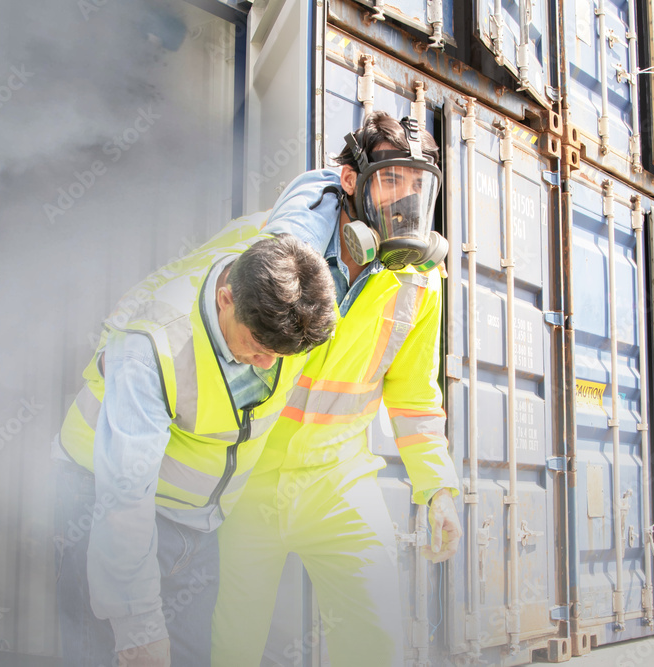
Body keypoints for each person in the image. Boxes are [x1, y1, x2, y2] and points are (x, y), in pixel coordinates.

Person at [211, 111, 463, 667]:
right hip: (251, 479)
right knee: (234, 644)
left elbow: (415, 395)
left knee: (377, 641)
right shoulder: (282, 259)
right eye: (390, 179)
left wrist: (438, 488)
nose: (404, 199)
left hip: (341, 482)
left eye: (418, 184)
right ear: (350, 180)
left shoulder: (420, 278)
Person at [52, 228, 336, 667]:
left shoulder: (283, 273)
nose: (269, 364)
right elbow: (124, 499)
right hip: (102, 497)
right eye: (259, 348)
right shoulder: (150, 345)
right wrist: (137, 627)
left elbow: (318, 198)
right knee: (119, 652)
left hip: (198, 521)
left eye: (281, 354)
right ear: (226, 298)